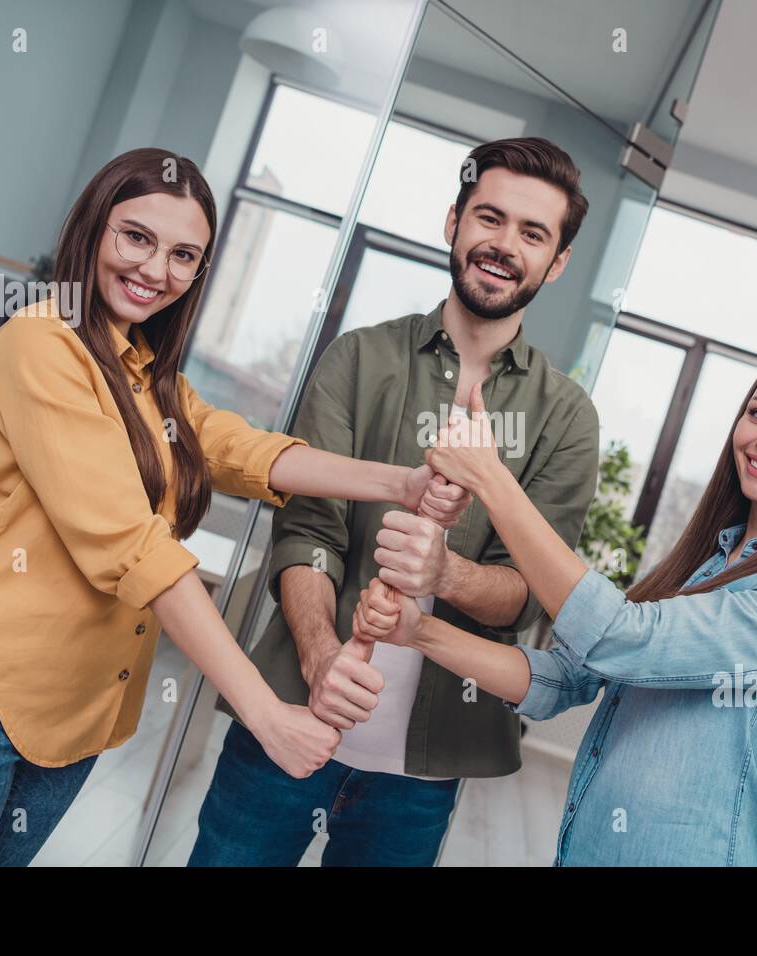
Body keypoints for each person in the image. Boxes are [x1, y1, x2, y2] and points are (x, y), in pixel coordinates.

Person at [0, 148, 468, 867]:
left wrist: (401, 485)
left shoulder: (142, 369)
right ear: (92, 228)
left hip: (74, 714)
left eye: (183, 255)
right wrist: (267, 715)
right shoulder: (41, 344)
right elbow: (133, 545)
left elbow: (235, 448)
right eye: (136, 237)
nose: (155, 270)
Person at [188, 137, 601, 867]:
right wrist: (319, 658)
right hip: (289, 715)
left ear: (557, 261)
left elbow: (525, 600)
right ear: (453, 222)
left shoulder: (567, 418)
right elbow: (306, 531)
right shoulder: (358, 359)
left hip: (421, 774)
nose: (503, 245)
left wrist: (445, 574)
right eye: (489, 218)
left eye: (532, 234)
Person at [353, 346, 757, 865]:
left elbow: (620, 638)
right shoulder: (703, 568)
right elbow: (563, 679)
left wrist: (492, 480)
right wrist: (418, 630)